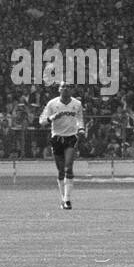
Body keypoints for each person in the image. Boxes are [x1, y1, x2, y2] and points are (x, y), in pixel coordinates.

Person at [38, 80, 85, 209]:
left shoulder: (77, 104)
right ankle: (62, 198)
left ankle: (67, 200)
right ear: (59, 89)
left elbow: (80, 119)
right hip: (57, 137)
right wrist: (51, 118)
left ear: (72, 90)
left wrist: (81, 129)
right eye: (63, 86)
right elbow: (41, 121)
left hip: (71, 137)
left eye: (68, 87)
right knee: (60, 171)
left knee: (68, 167)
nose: (66, 89)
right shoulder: (52, 104)